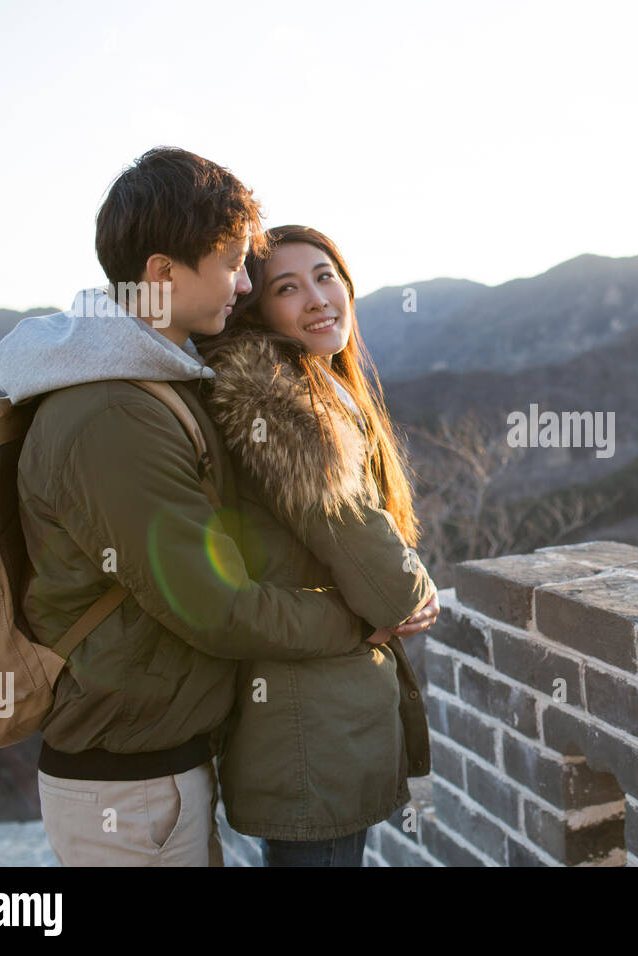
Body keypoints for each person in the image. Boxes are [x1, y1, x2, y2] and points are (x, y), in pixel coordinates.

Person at [0, 149, 365, 866]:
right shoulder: (112, 414)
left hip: (160, 768)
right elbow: (213, 606)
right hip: (126, 792)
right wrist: (355, 619)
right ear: (163, 274)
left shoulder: (159, 383)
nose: (246, 283)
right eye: (231, 262)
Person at [195, 224, 440, 867]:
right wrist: (417, 588)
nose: (317, 298)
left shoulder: (321, 390)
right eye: (287, 287)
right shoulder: (283, 405)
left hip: (314, 724)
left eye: (325, 276)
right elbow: (390, 589)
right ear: (256, 307)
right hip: (311, 733)